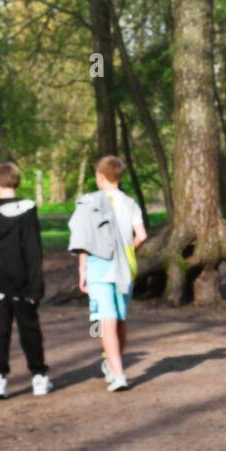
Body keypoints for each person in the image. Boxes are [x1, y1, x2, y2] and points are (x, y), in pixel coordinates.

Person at [68, 156, 146, 392]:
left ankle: (118, 373)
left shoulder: (90, 202)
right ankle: (113, 366)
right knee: (120, 320)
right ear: (118, 177)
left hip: (99, 267)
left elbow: (84, 240)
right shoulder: (130, 203)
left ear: (100, 177)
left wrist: (82, 270)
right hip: (125, 267)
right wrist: (129, 250)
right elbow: (141, 236)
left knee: (105, 321)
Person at [0, 161, 51, 399]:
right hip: (22, 279)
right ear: (17, 182)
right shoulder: (28, 210)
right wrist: (36, 285)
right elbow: (33, 250)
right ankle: (38, 376)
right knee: (29, 329)